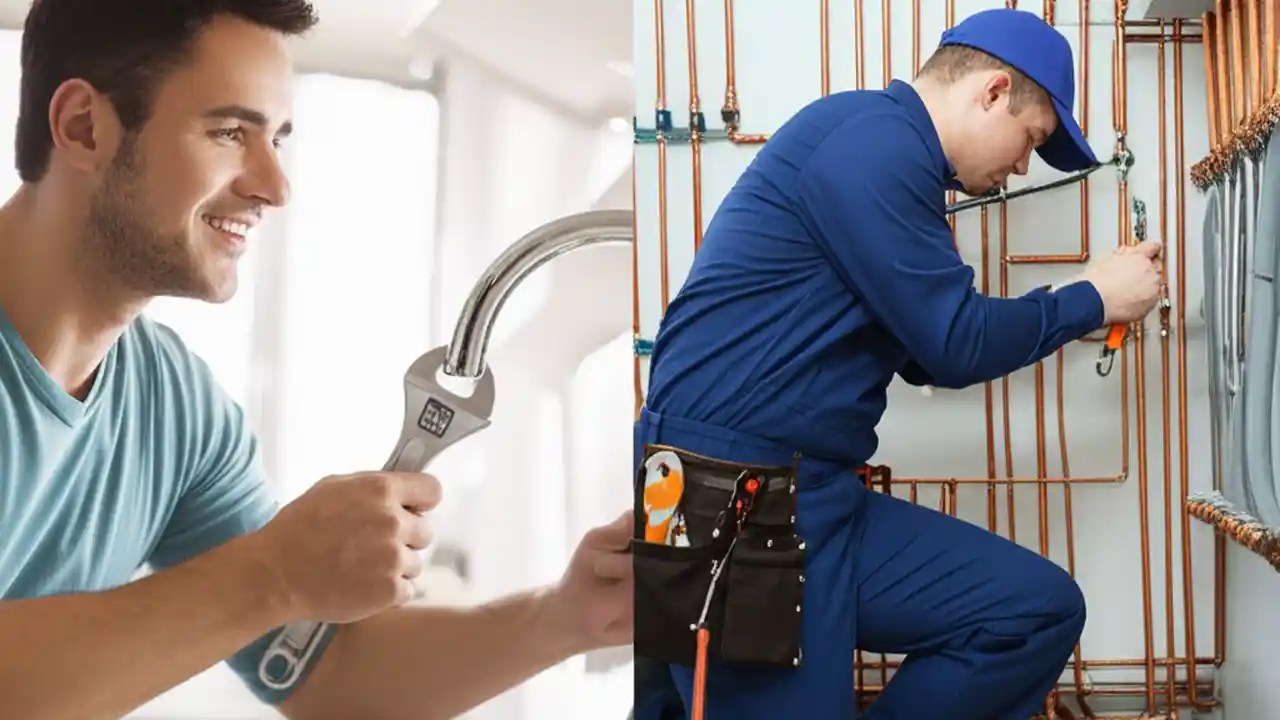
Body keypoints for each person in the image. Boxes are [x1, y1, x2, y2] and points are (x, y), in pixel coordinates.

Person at [0, 1, 633, 718]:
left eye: (277, 139)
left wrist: (568, 617)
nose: (275, 187)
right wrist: (272, 572)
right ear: (83, 127)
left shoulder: (174, 406)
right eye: (230, 132)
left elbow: (321, 668)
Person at [631, 8, 1161, 720]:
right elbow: (954, 342)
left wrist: (1079, 300)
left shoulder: (892, 159)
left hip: (813, 495)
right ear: (993, 91)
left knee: (1030, 612)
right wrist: (1092, 299)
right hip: (727, 494)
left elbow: (924, 356)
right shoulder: (874, 145)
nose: (1021, 167)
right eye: (1032, 139)